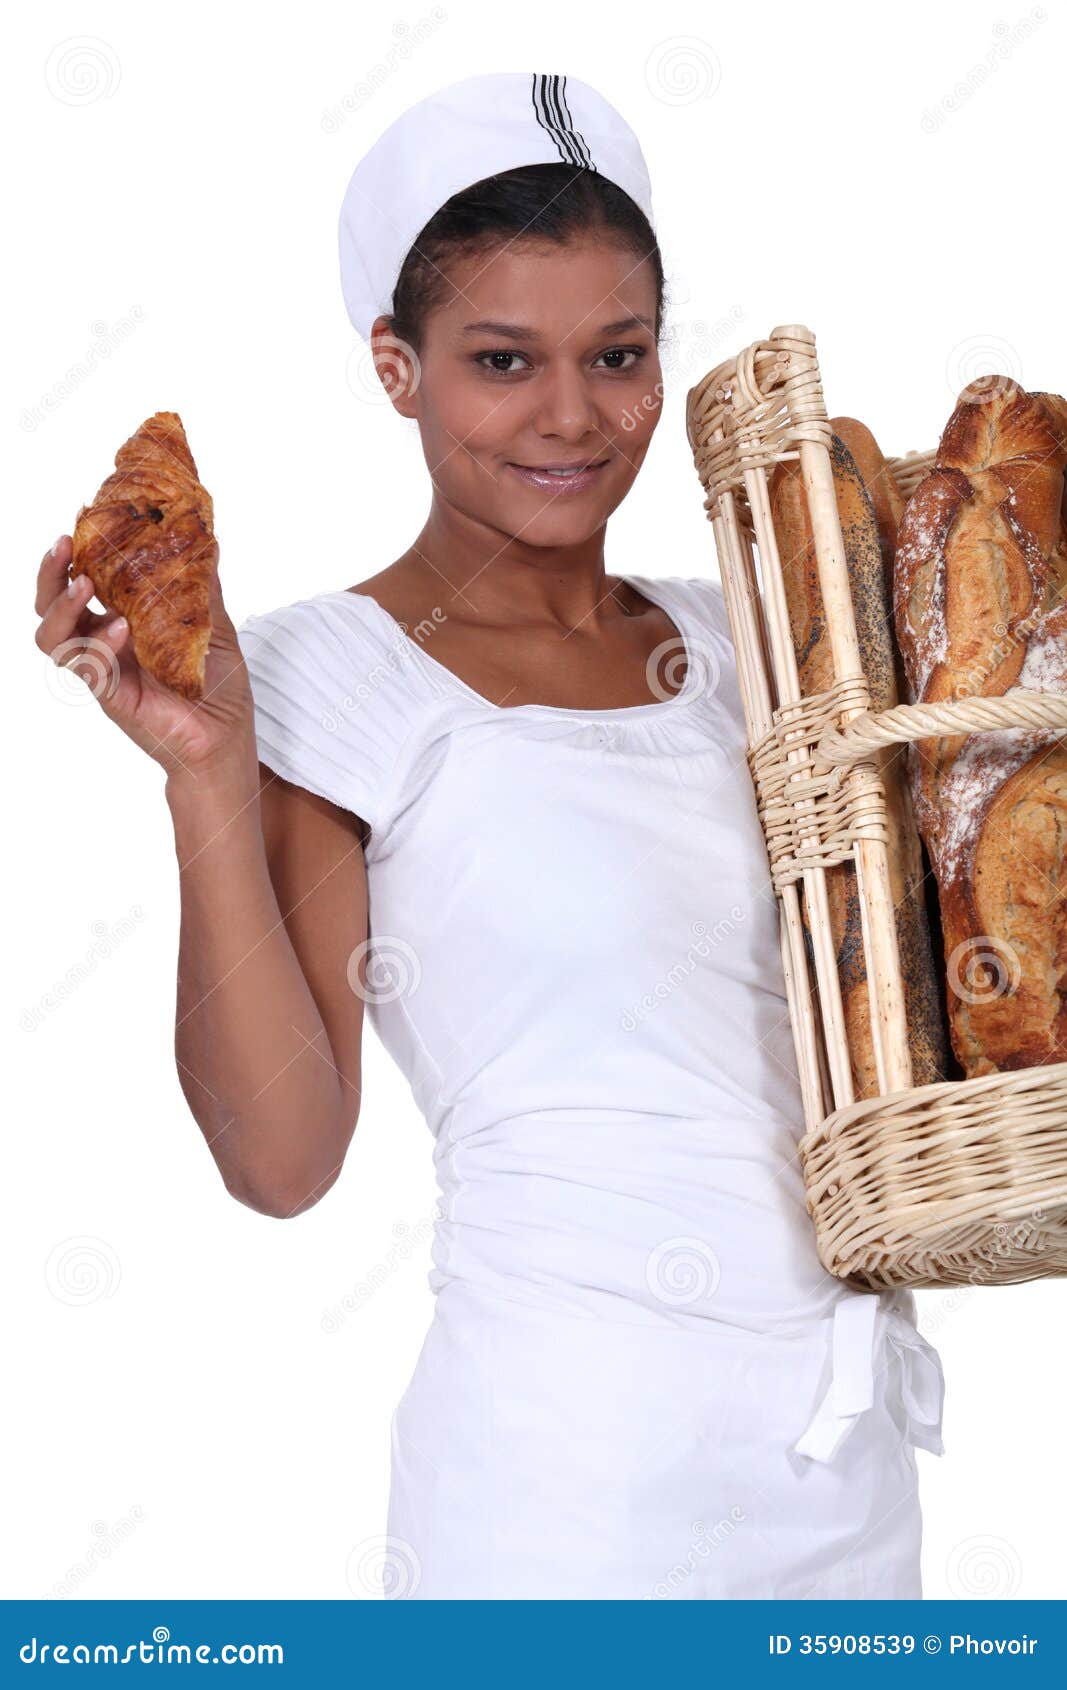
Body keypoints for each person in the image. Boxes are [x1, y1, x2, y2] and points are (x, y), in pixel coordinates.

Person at [35, 71, 945, 1601]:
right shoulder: (329, 674)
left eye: (619, 355)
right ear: (397, 367)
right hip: (559, 1496)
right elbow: (282, 1155)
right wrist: (205, 772)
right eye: (502, 360)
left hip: (844, 1477)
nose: (572, 415)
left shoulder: (761, 645)